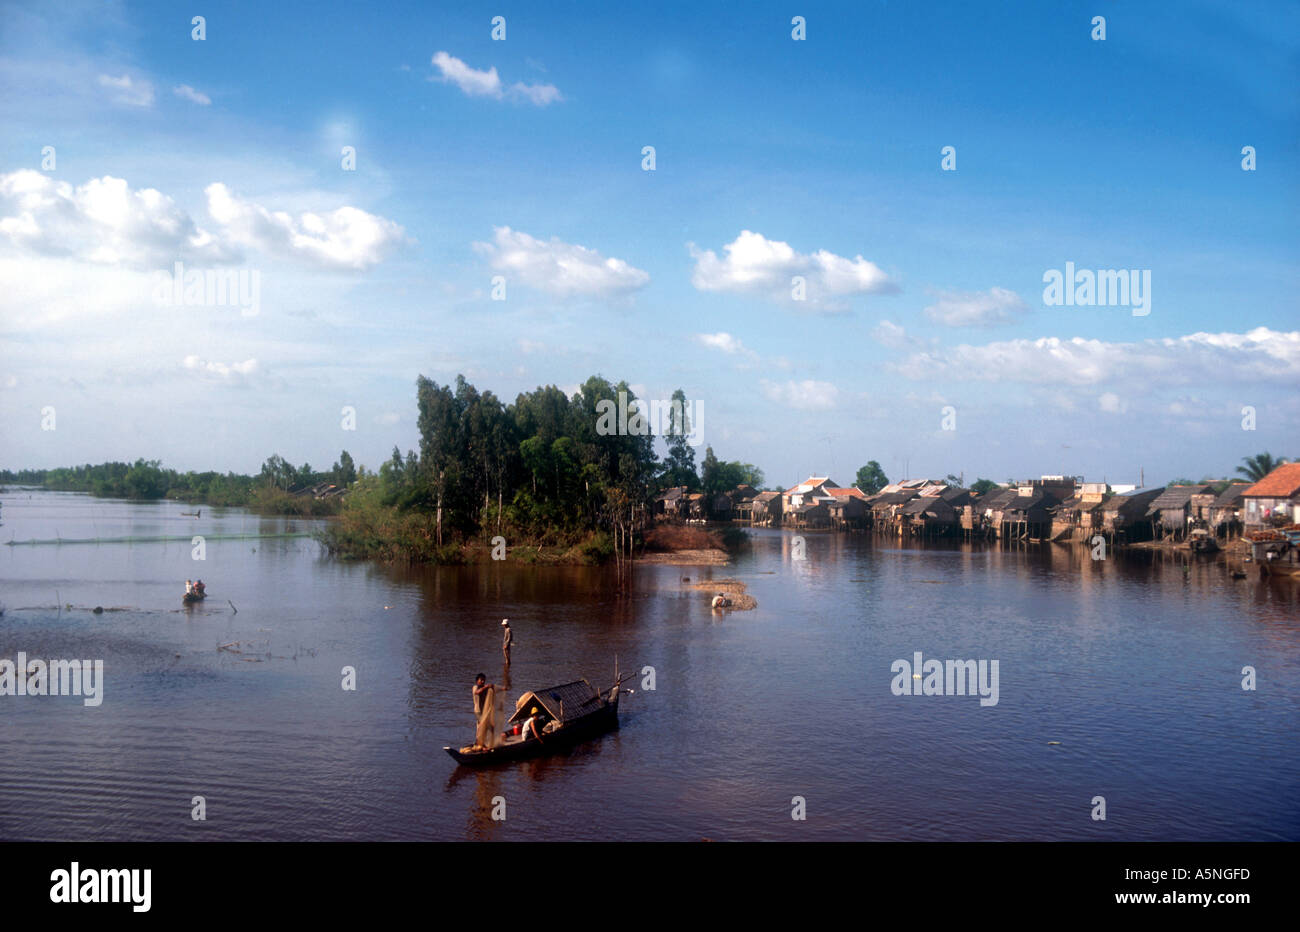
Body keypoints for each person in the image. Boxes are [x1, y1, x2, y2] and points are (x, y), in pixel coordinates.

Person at [472, 674, 497, 749]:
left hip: (484, 712)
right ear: (477, 681)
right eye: (481, 680)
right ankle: (480, 744)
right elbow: (477, 692)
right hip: (478, 711)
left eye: (484, 680)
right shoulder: (475, 687)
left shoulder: (484, 688)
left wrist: (492, 687)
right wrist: (486, 686)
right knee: (482, 726)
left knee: (487, 727)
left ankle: (484, 743)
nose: (483, 681)